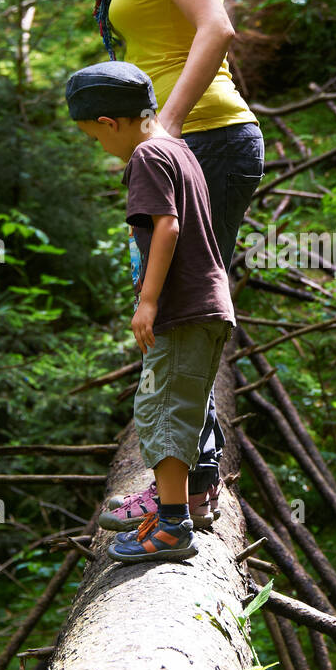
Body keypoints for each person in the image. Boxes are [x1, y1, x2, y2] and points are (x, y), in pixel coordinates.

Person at [43, 0, 264, 530]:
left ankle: (186, 493)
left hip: (206, 139)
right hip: (183, 143)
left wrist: (162, 126)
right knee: (171, 312)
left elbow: (217, 27)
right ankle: (191, 482)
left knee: (176, 313)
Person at [65, 61, 235, 564]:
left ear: (108, 124)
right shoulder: (177, 148)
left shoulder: (147, 157)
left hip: (182, 311)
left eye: (94, 138)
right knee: (176, 407)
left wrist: (148, 302)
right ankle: (168, 505)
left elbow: (167, 228)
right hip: (204, 307)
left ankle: (171, 528)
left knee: (161, 411)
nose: (101, 147)